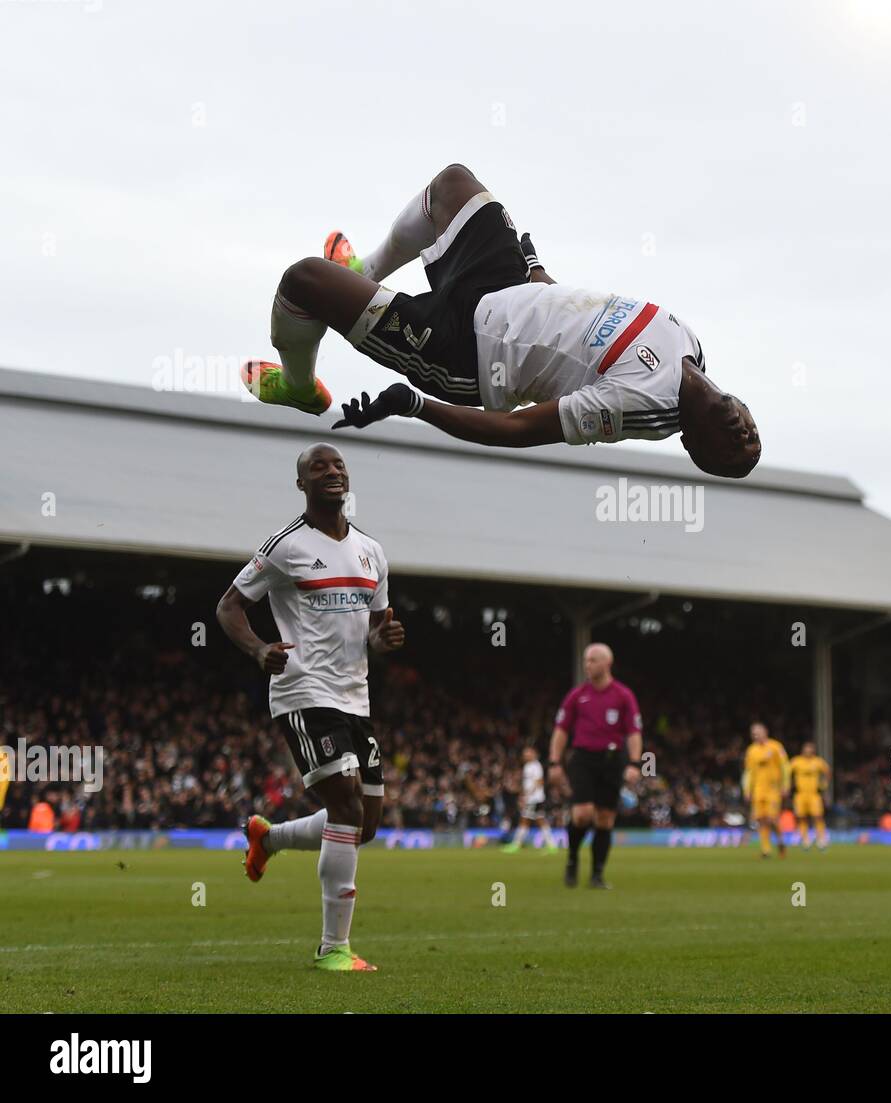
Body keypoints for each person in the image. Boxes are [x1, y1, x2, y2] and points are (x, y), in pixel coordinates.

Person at [241, 164, 761, 479]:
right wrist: (538, 269)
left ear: (693, 445)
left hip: (468, 352)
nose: (743, 435)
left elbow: (514, 429)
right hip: (506, 288)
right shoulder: (690, 342)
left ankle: (297, 385)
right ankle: (366, 272)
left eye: (732, 450)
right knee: (453, 184)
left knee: (305, 281)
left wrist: (419, 405)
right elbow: (577, 324)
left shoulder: (644, 406)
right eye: (753, 436)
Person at [215, 443, 404, 971]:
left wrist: (383, 638)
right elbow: (229, 606)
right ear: (302, 485)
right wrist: (257, 649)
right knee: (344, 806)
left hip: (355, 695)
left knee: (365, 823)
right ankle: (333, 948)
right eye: (317, 467)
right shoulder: (285, 547)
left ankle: (268, 837)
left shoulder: (372, 551)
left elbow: (375, 625)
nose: (331, 471)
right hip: (302, 690)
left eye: (338, 464)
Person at [548, 644, 643, 888]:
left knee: (605, 818)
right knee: (582, 814)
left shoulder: (623, 695)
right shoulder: (577, 695)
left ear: (606, 664)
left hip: (612, 760)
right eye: (586, 660)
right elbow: (561, 730)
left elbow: (633, 732)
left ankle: (597, 875)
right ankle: (572, 861)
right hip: (583, 758)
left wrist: (634, 762)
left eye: (592, 660)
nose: (587, 664)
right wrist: (554, 762)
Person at [742, 723, 789, 858]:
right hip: (758, 789)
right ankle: (766, 850)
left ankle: (780, 842)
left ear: (766, 732)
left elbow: (785, 766)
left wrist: (785, 785)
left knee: (772, 819)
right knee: (761, 819)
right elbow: (748, 772)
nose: (756, 735)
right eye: (753, 733)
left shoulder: (776, 746)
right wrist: (747, 790)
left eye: (758, 732)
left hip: (773, 788)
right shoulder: (751, 750)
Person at [502, 747, 559, 853]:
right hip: (533, 798)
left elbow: (539, 781)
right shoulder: (528, 766)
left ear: (534, 754)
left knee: (525, 820)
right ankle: (552, 845)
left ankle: (516, 844)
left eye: (528, 753)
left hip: (534, 798)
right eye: (525, 754)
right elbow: (528, 783)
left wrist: (528, 795)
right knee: (539, 820)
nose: (526, 755)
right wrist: (523, 793)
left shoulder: (535, 766)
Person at [789, 741, 830, 851]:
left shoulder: (818, 762)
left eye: (810, 749)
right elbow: (787, 772)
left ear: (813, 751)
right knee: (802, 818)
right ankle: (805, 840)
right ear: (803, 750)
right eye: (806, 749)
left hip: (814, 794)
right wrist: (789, 784)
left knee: (818, 816)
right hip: (800, 794)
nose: (808, 751)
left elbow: (827, 771)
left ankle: (821, 840)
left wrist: (824, 784)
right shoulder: (796, 761)